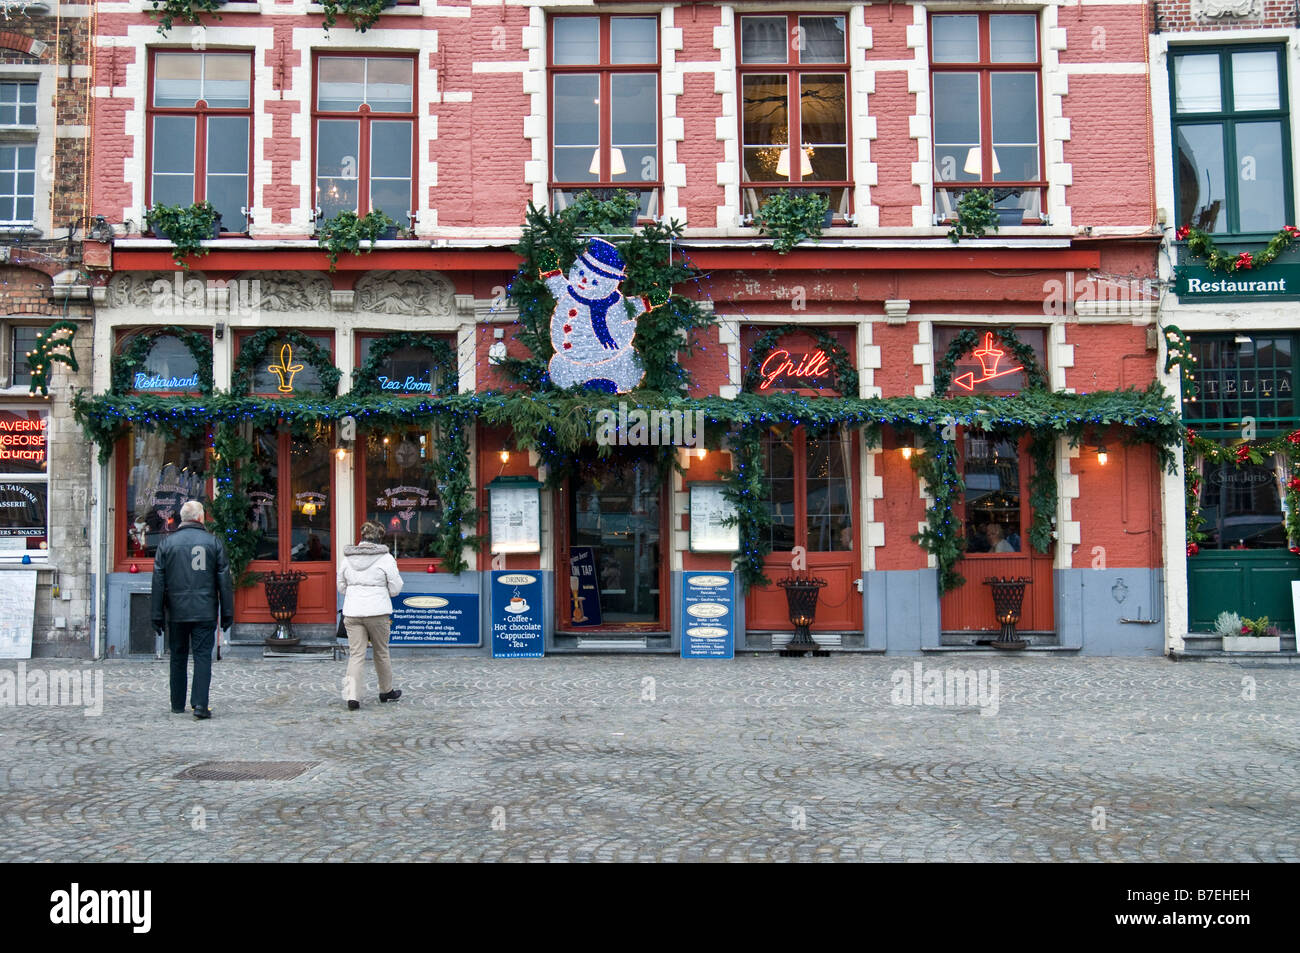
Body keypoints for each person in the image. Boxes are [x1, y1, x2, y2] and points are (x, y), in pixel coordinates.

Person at [151, 499, 234, 720]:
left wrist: (156, 613)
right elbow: (224, 581)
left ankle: (177, 703)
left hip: (177, 611)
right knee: (202, 656)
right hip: (205, 610)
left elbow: (158, 581)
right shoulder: (213, 542)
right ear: (200, 518)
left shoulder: (166, 544)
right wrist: (227, 612)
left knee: (177, 656)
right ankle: (200, 704)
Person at [337, 520, 404, 711]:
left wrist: (354, 592)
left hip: (352, 612)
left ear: (362, 536)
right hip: (377, 612)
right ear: (379, 537)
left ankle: (352, 697)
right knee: (381, 652)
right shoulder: (386, 558)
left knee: (356, 654)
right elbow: (396, 587)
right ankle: (386, 691)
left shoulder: (347, 558)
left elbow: (341, 585)